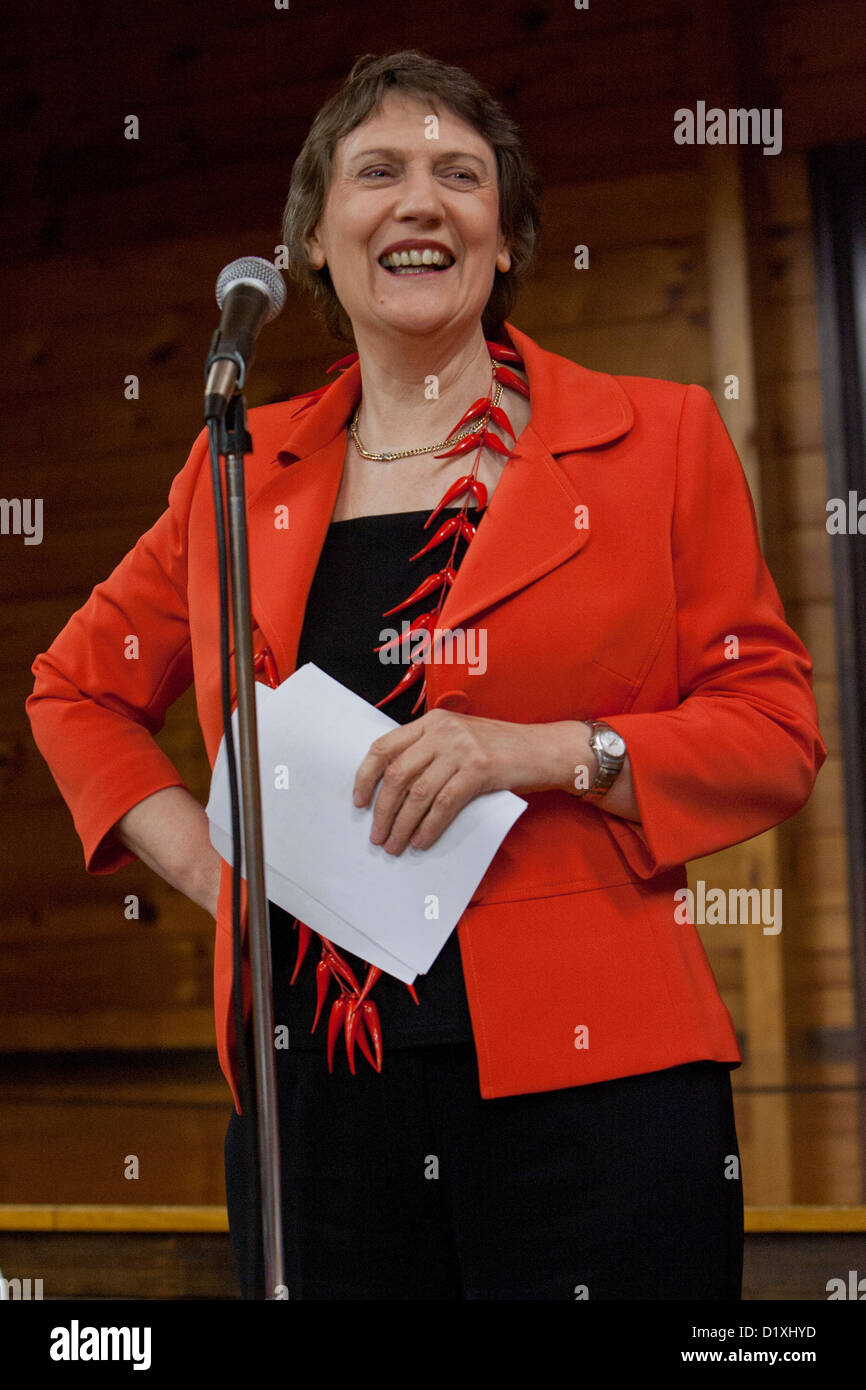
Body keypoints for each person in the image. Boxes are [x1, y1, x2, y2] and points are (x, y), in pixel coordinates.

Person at [26, 50, 826, 1301]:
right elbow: (77, 692)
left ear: (503, 239)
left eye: (459, 175)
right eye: (378, 172)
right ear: (312, 237)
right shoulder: (234, 471)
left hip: (599, 1093)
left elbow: (771, 729)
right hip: (314, 1090)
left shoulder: (656, 439)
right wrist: (229, 871)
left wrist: (545, 749)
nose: (420, 200)